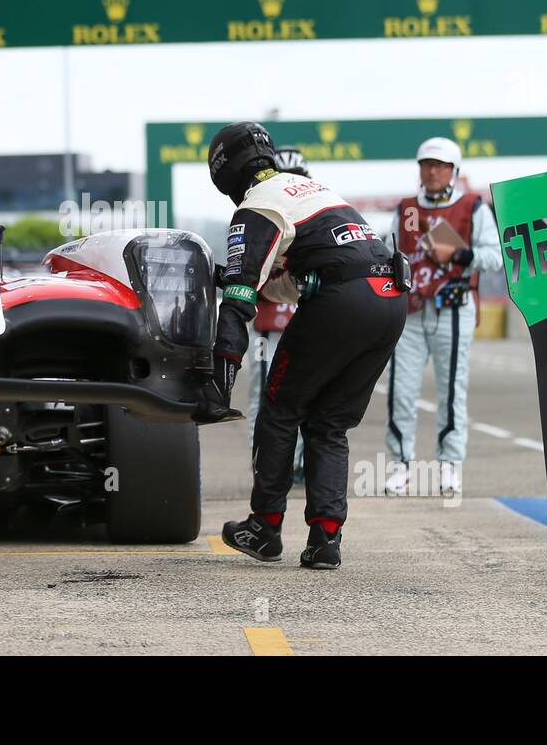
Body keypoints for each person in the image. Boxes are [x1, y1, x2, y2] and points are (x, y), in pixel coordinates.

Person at [206, 122, 407, 570]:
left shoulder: (256, 206)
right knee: (330, 423)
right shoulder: (311, 189)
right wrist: (245, 280)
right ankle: (325, 541)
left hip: (343, 302)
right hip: (391, 299)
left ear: (225, 174)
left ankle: (264, 528)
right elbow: (296, 282)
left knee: (280, 408)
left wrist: (221, 373)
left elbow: (240, 297)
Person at [383, 137, 502, 496]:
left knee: (452, 389)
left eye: (439, 165)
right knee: (400, 391)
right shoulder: (405, 208)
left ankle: (449, 464)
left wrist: (460, 255)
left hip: (454, 307)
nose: (432, 171)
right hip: (412, 310)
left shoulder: (472, 206)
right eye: (426, 165)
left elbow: (495, 258)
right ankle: (401, 464)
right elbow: (390, 254)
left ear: (454, 171)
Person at [248, 146, 309, 481]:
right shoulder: (261, 211)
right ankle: (264, 465)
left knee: (306, 397)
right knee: (264, 398)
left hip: (308, 320)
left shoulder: (317, 214)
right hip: (270, 324)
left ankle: (299, 464)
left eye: (297, 178)